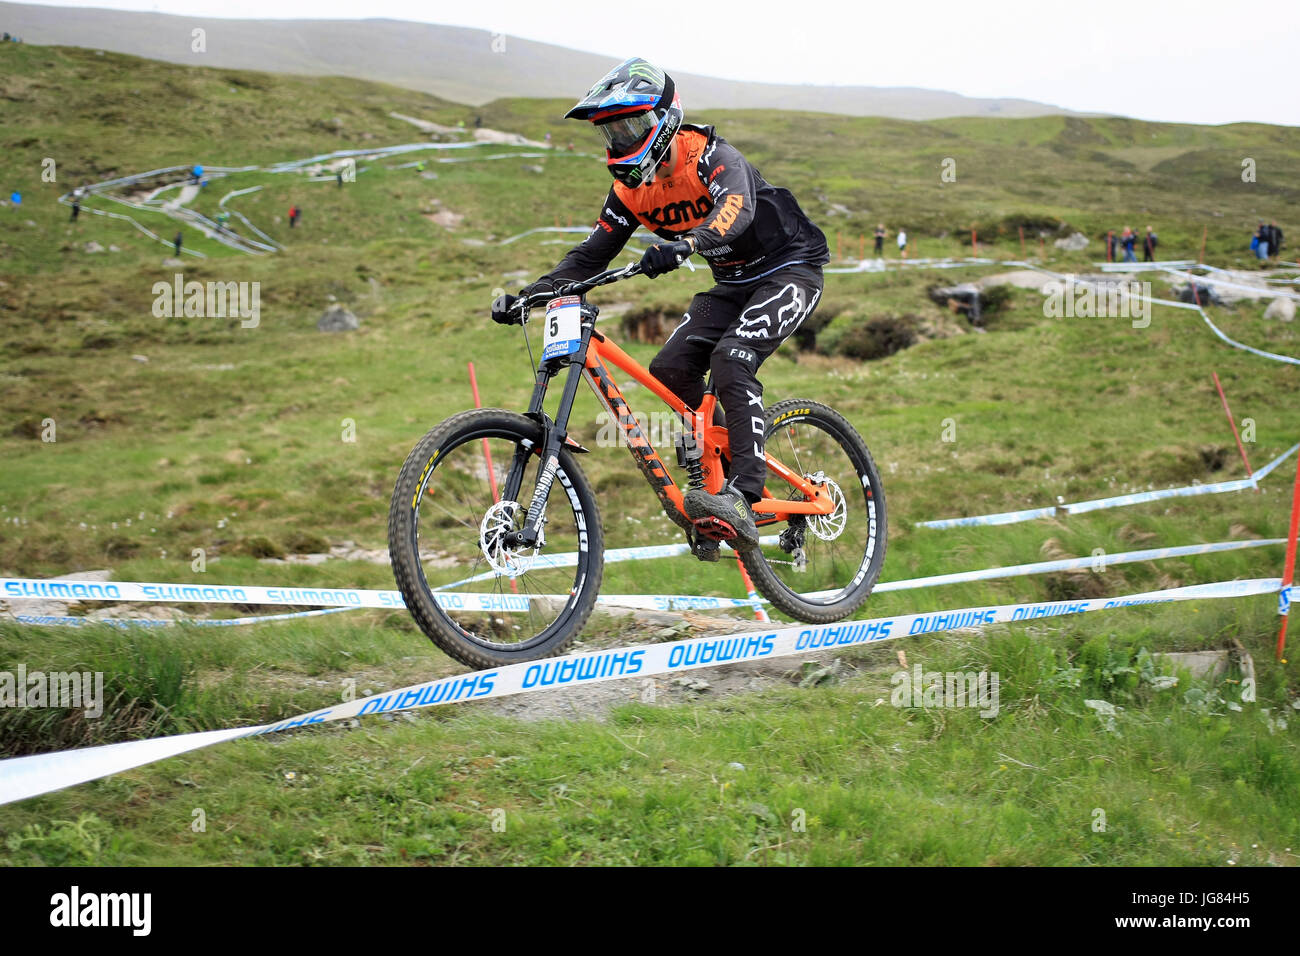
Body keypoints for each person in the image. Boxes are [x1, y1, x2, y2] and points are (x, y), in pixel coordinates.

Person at [495, 58, 829, 553]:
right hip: (733, 281)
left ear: (665, 119)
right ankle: (711, 472)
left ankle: (745, 493)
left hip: (789, 269)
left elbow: (734, 211)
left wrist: (688, 244)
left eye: (632, 126)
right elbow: (592, 253)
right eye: (611, 132)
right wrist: (534, 292)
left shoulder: (711, 156)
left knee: (732, 358)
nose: (622, 141)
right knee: (671, 368)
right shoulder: (629, 190)